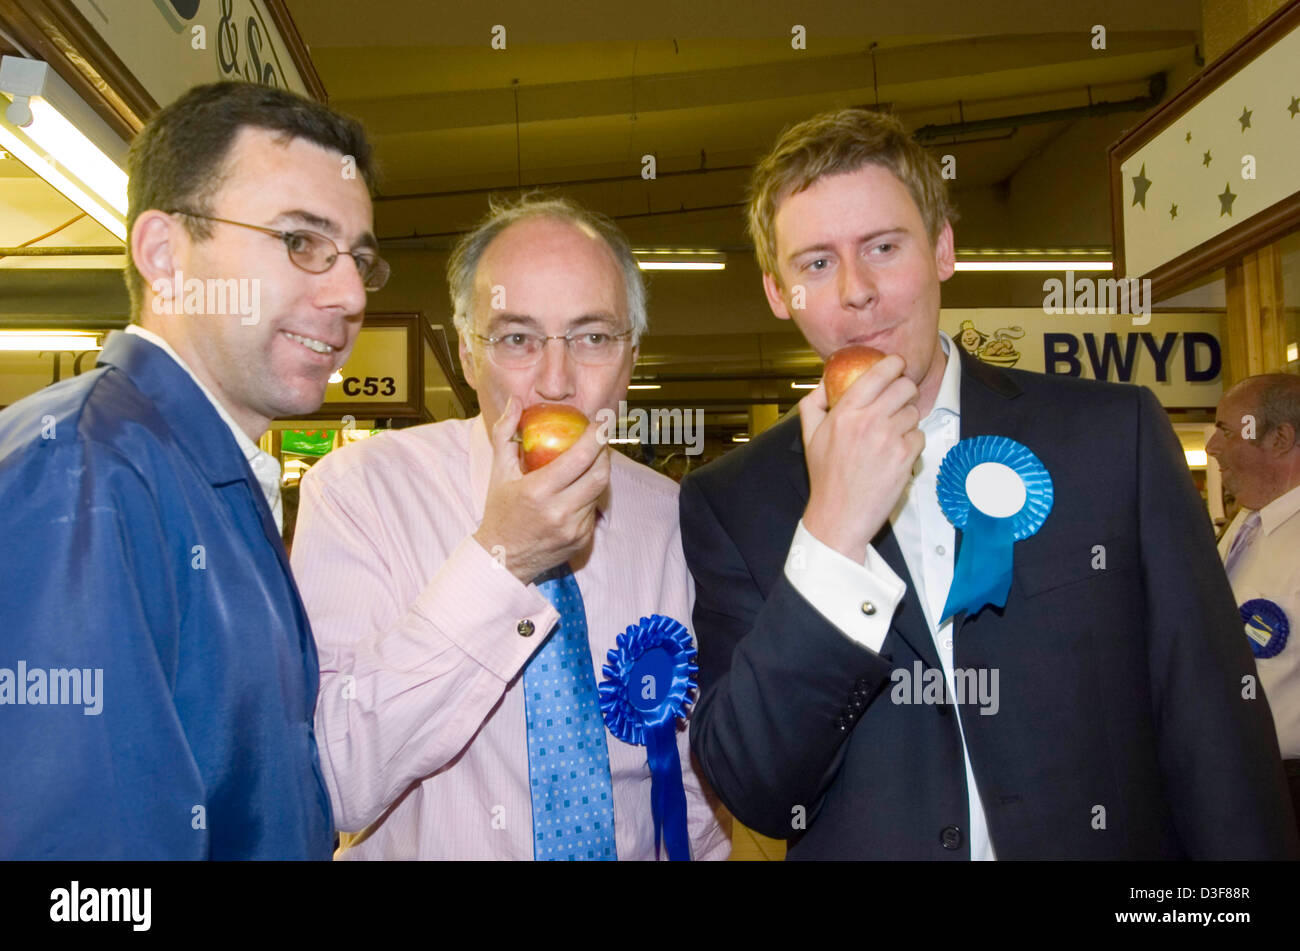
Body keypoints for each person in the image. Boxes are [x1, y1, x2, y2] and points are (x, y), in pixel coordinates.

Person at [681, 107, 1298, 859]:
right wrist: (833, 537)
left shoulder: (1111, 435)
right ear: (779, 293)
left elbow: (1214, 724)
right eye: (815, 263)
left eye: (883, 245)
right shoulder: (732, 501)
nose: (856, 290)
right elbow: (756, 787)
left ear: (943, 248)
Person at [0, 81, 383, 859]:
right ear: (165, 254)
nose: (348, 294)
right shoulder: (85, 474)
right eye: (302, 241)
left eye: (359, 259)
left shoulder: (210, 476)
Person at [290, 195, 730, 860]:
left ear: (631, 359)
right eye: (517, 339)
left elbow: (691, 788)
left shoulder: (676, 518)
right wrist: (500, 561)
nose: (555, 380)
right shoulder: (362, 493)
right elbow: (333, 782)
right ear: (468, 355)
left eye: (591, 337)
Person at [1209, 374, 1300, 819]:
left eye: (1226, 430)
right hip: (1243, 778)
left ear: (1280, 438)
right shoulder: (1247, 523)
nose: (1211, 447)